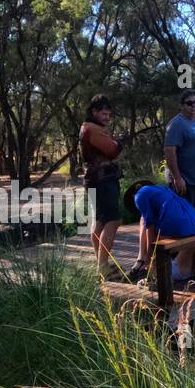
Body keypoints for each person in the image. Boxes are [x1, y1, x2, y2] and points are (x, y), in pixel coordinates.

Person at [124, 180, 195, 291]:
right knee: (146, 222)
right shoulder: (162, 189)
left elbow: (150, 227)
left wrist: (149, 257)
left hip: (178, 227)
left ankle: (151, 272)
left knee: (147, 225)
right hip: (194, 225)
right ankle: (142, 261)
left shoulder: (139, 196)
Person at [80, 94, 124, 278]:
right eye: (103, 113)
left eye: (108, 114)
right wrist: (119, 143)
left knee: (99, 221)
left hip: (95, 179)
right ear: (94, 112)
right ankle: (103, 265)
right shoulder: (93, 129)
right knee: (112, 220)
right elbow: (112, 150)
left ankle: (102, 262)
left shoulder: (89, 127)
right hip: (102, 180)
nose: (107, 117)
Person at [164, 91, 195, 212]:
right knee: (183, 219)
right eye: (189, 103)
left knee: (194, 218)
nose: (194, 106)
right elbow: (169, 152)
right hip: (186, 183)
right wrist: (177, 178)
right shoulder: (176, 124)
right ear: (181, 106)